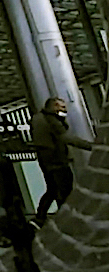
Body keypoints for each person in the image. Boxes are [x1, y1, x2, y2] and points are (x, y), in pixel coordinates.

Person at [31, 96, 93, 226]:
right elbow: (66, 138)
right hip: (57, 160)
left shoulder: (37, 118)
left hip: (45, 161)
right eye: (62, 107)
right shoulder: (52, 120)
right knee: (65, 191)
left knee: (52, 190)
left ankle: (40, 217)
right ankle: (66, 219)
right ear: (54, 107)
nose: (65, 110)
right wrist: (91, 146)